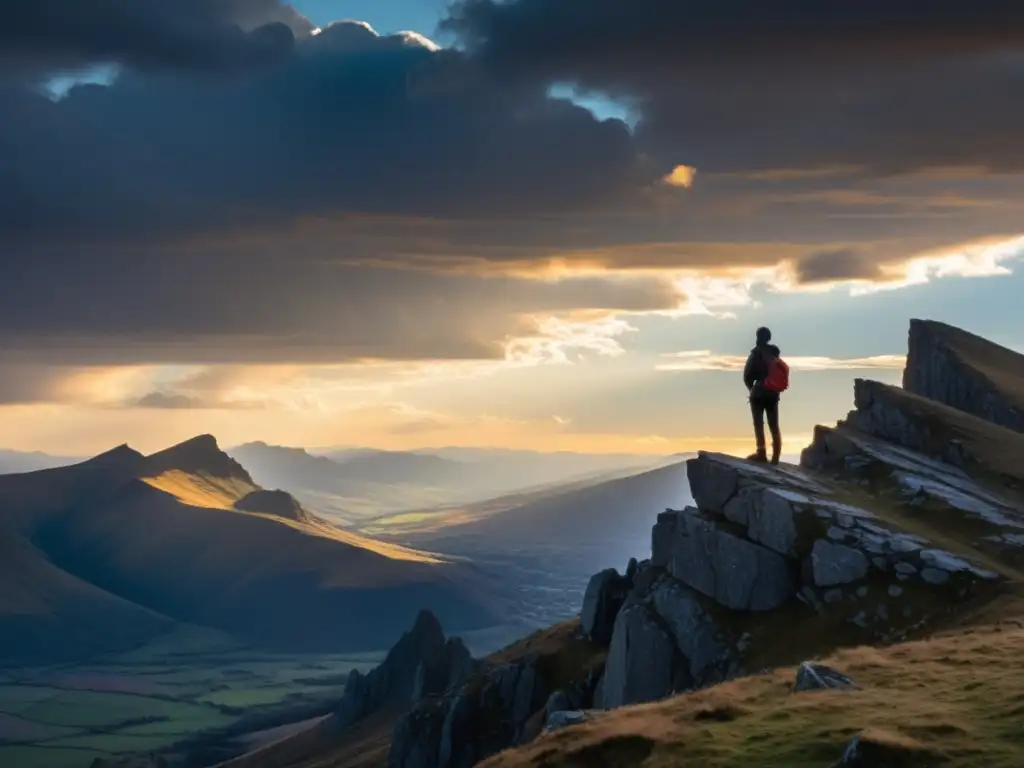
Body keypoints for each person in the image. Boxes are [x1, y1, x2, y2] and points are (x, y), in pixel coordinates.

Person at [742, 326, 783, 464]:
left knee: (758, 423)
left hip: (759, 393)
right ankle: (776, 456)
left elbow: (748, 375)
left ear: (758, 337)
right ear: (769, 337)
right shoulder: (775, 353)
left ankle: (761, 453)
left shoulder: (756, 353)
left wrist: (751, 389)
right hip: (773, 393)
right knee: (774, 424)